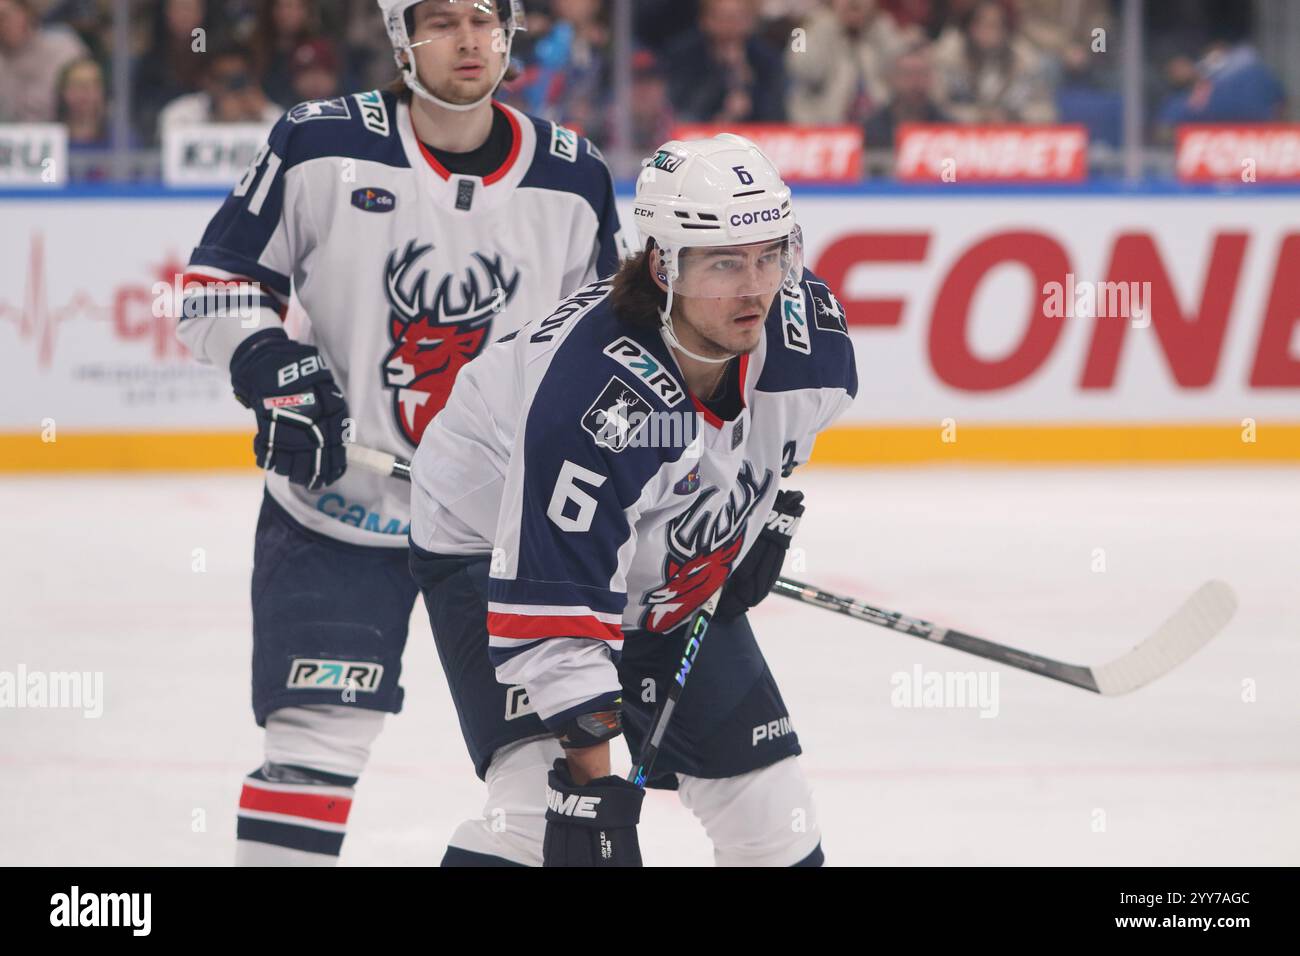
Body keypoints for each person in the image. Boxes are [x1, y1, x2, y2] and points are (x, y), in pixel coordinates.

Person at [174, 0, 626, 866]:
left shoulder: (573, 176)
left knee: (541, 783)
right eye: (442, 20)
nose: (468, 40)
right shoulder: (317, 143)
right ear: (398, 36)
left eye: (485, 21)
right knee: (312, 754)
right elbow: (214, 285)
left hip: (498, 534)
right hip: (339, 510)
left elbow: (613, 351)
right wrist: (272, 365)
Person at [409, 133, 858, 866]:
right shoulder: (598, 403)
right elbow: (555, 613)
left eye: (770, 255)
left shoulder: (811, 339)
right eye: (723, 262)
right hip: (494, 543)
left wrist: (754, 524)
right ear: (663, 265)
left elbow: (776, 439)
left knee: (774, 817)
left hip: (642, 549)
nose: (755, 287)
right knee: (537, 819)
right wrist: (593, 800)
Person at [0, 0, 88, 122]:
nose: (3, 24)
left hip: (66, 136)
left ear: (27, 13)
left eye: (5, 16)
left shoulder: (64, 47)